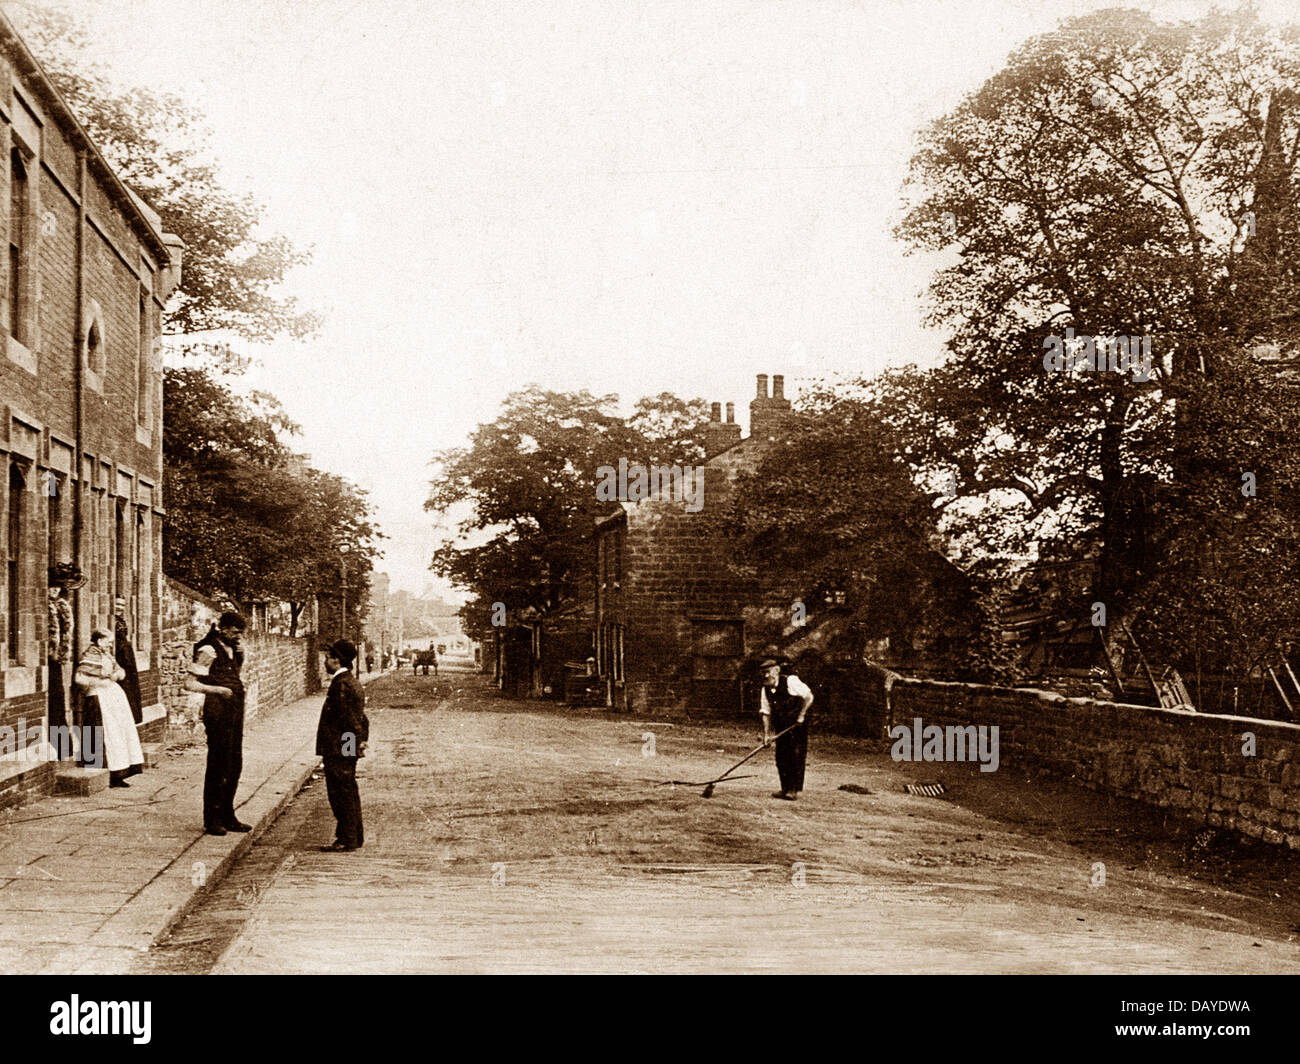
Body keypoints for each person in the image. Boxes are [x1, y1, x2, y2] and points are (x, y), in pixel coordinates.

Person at [185, 611, 249, 836]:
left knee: (234, 762)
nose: (238, 636)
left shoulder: (233, 649)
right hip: (218, 709)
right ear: (223, 629)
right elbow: (190, 683)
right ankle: (212, 818)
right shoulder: (208, 649)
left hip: (234, 709)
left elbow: (232, 675)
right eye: (234, 632)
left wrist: (239, 660)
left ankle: (228, 814)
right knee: (218, 763)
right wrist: (218, 690)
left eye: (240, 632)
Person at [73, 628, 144, 787]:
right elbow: (80, 678)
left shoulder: (106, 655)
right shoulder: (91, 654)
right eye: (108, 642)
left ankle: (119, 773)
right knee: (108, 734)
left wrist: (116, 675)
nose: (111, 645)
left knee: (119, 734)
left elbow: (120, 671)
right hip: (100, 697)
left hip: (114, 698)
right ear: (99, 641)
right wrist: (100, 681)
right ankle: (106, 772)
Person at [316, 638, 368, 852]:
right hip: (345, 745)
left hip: (340, 746)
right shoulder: (349, 682)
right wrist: (360, 742)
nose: (326, 661)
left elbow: (350, 720)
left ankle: (347, 838)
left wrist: (348, 750)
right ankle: (353, 836)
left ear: (337, 661)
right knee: (348, 789)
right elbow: (362, 720)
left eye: (328, 658)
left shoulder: (342, 685)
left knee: (340, 792)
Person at [758, 652, 814, 800]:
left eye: (767, 672)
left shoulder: (791, 681)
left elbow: (809, 697)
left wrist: (802, 715)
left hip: (797, 726)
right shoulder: (765, 690)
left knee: (795, 755)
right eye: (763, 673)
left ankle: (793, 790)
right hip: (781, 727)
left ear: (776, 671)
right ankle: (784, 788)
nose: (765, 676)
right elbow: (765, 712)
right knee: (781, 757)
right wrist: (766, 735)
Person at [113, 596, 143, 725]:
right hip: (118, 656)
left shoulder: (121, 621)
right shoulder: (111, 620)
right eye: (117, 604)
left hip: (126, 657)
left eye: (122, 605)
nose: (120, 607)